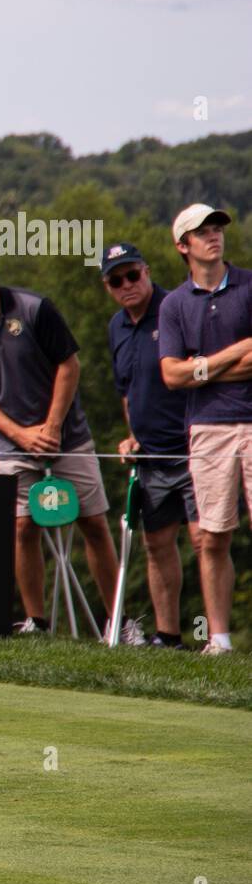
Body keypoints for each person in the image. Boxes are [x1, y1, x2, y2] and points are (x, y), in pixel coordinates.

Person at [0, 242, 119, 636]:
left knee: (93, 523)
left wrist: (53, 426)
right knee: (23, 528)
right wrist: (20, 434)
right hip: (13, 443)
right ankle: (36, 622)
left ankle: (119, 621)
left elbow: (69, 365)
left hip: (67, 436)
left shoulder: (34, 308)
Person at [158, 204, 252, 657]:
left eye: (217, 229)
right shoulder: (174, 304)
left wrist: (201, 366)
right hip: (207, 428)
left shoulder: (251, 285)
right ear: (183, 245)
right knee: (212, 535)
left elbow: (185, 371)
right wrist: (235, 354)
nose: (214, 236)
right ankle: (219, 639)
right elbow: (171, 377)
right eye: (202, 232)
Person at [102, 241, 204, 647]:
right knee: (157, 544)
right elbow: (127, 391)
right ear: (108, 287)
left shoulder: (177, 308)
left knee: (206, 541)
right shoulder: (116, 327)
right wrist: (132, 435)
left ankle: (218, 638)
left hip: (194, 446)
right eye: (116, 280)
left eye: (132, 274)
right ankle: (168, 636)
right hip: (151, 455)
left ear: (146, 271)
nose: (126, 284)